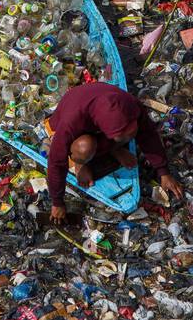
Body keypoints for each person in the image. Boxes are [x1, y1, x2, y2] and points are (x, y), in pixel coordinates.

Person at [43, 82, 183, 223]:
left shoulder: (131, 104)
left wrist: (163, 172)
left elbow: (147, 134)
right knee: (84, 149)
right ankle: (82, 162)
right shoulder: (71, 121)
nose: (129, 134)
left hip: (104, 131)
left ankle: (114, 148)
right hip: (77, 135)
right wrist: (57, 202)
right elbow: (56, 162)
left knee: (131, 132)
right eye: (120, 136)